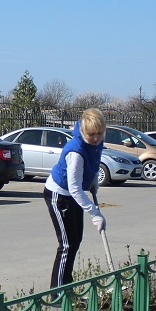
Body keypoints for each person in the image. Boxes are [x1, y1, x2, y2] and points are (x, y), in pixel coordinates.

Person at [44, 108, 107, 287]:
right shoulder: (76, 151)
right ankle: (57, 292)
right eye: (91, 134)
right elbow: (74, 189)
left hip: (73, 194)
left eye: (99, 134)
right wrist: (94, 213)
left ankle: (67, 286)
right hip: (59, 194)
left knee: (76, 240)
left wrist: (93, 178)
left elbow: (94, 160)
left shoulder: (98, 142)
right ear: (83, 131)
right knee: (66, 244)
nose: (95, 138)